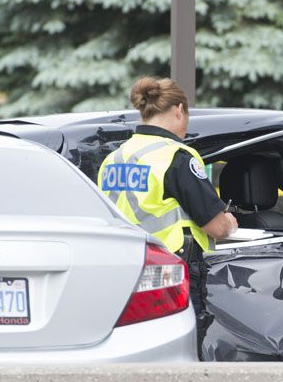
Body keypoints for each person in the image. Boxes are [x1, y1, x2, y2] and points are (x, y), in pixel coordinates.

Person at [97, 76, 237, 352]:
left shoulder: (114, 158)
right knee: (180, 352)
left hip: (121, 271)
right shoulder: (177, 157)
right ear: (179, 110)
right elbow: (217, 227)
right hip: (170, 272)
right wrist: (231, 223)